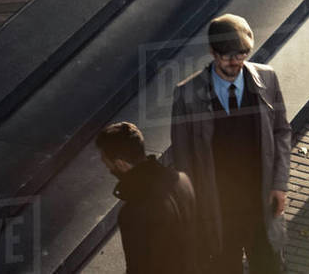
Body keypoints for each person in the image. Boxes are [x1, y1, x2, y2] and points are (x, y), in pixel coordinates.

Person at [171, 14, 292, 273]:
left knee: (269, 266)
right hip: (217, 207)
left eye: (242, 54)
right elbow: (183, 158)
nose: (235, 62)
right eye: (227, 56)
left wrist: (279, 185)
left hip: (260, 202)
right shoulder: (187, 94)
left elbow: (282, 131)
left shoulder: (267, 79)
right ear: (212, 52)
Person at [95, 122, 199, 274]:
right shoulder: (182, 180)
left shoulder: (133, 212)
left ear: (121, 164)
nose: (108, 169)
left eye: (107, 164)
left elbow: (138, 269)